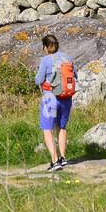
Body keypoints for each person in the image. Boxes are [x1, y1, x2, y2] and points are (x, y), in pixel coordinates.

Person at [35, 33, 76, 171]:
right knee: (62, 127)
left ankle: (54, 161)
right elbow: (75, 74)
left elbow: (38, 80)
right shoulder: (67, 57)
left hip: (50, 98)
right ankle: (63, 158)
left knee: (47, 129)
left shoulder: (46, 60)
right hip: (66, 98)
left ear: (45, 47)